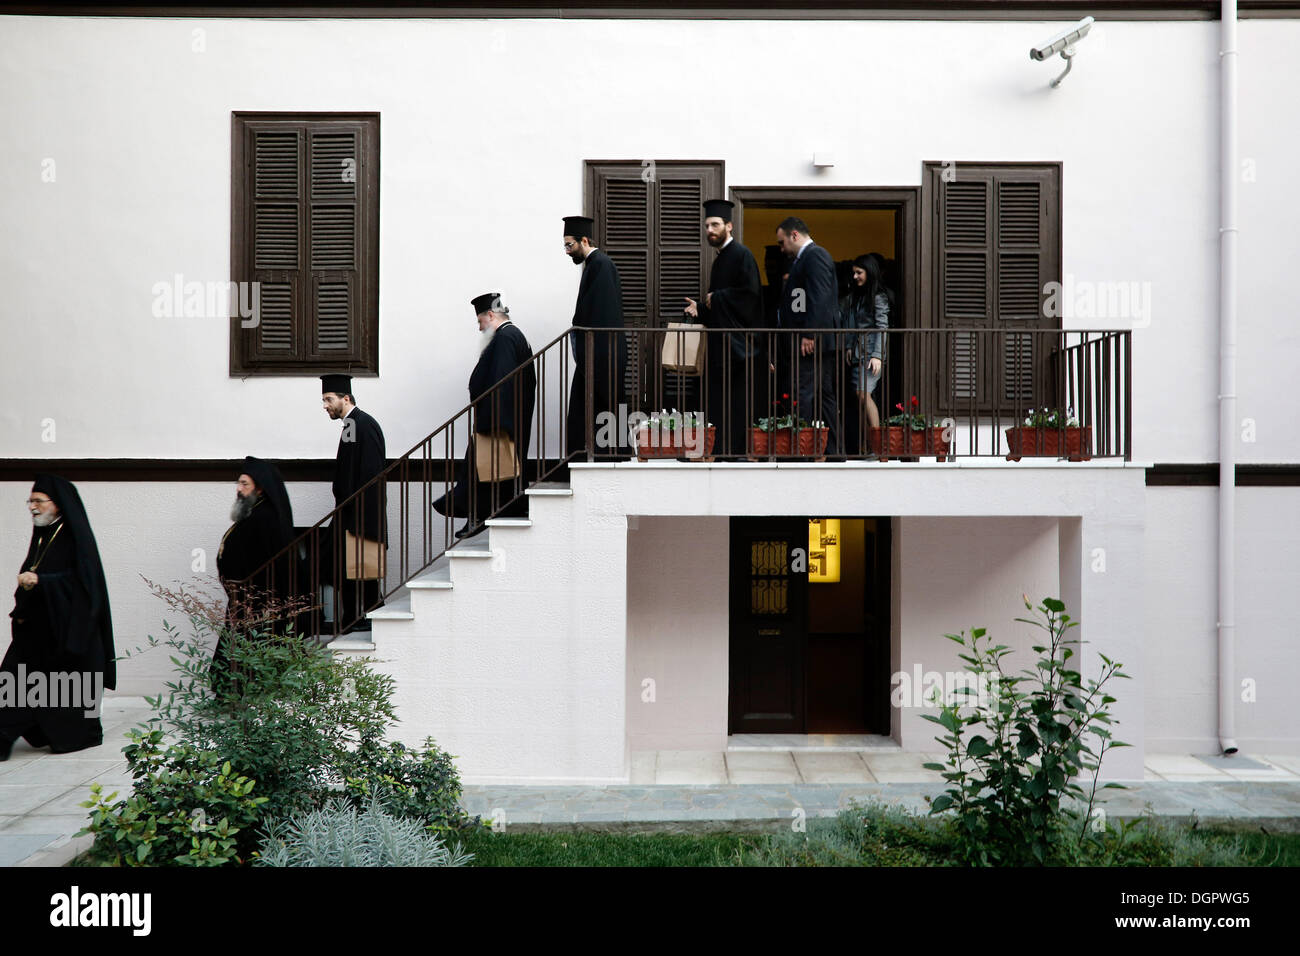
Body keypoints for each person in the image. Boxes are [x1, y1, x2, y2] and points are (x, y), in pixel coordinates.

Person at [1, 475, 115, 761]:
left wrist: (41, 581)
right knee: (13, 684)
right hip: (39, 631)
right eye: (31, 501)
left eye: (38, 501)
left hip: (68, 633)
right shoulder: (43, 535)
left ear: (59, 505)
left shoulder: (74, 537)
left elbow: (83, 585)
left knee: (61, 694)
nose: (32, 507)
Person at [433, 293, 537, 540]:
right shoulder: (513, 336)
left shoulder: (506, 337)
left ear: (491, 315)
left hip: (498, 420)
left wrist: (494, 424)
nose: (480, 328)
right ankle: (482, 513)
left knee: (483, 473)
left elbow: (500, 382)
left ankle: (478, 515)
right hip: (501, 417)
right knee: (489, 473)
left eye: (480, 322)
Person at [683, 199, 763, 456]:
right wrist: (701, 308)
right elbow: (717, 302)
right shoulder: (720, 260)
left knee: (737, 402)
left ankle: (736, 451)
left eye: (715, 225)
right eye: (707, 226)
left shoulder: (742, 255)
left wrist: (717, 298)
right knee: (718, 401)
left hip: (739, 349)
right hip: (722, 348)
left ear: (729, 226)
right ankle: (720, 449)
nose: (710, 230)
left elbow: (749, 296)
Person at [214, 457, 301, 674]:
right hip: (245, 600)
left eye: (245, 484)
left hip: (258, 602)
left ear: (260, 489)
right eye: (239, 483)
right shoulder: (255, 512)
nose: (239, 489)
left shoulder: (265, 518)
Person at [320, 375, 387, 632]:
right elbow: (348, 471)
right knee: (347, 566)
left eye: (329, 399)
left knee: (361, 566)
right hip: (352, 511)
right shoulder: (353, 424)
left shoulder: (362, 424)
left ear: (345, 398)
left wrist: (353, 508)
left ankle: (365, 616)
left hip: (360, 513)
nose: (325, 405)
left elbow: (369, 473)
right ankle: (353, 617)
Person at [775, 216, 840, 454]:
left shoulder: (815, 255)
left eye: (782, 243)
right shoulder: (807, 258)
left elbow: (819, 296)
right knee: (822, 395)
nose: (782, 249)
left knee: (803, 392)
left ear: (794, 235)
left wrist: (809, 334)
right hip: (817, 342)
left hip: (813, 343)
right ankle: (832, 450)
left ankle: (799, 450)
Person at [563, 215, 625, 458]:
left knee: (599, 407)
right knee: (587, 408)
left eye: (570, 245)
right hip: (598, 352)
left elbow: (600, 313)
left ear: (584, 240)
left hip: (601, 353)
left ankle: (605, 455)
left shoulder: (600, 264)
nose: (567, 251)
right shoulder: (596, 264)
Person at [840, 253, 893, 435]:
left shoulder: (878, 296)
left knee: (863, 394)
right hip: (857, 354)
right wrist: (848, 346)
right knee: (860, 397)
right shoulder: (858, 296)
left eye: (859, 272)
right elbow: (851, 322)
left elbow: (882, 327)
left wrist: (878, 355)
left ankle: (878, 444)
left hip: (871, 355)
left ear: (869, 272)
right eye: (854, 273)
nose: (855, 277)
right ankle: (867, 445)